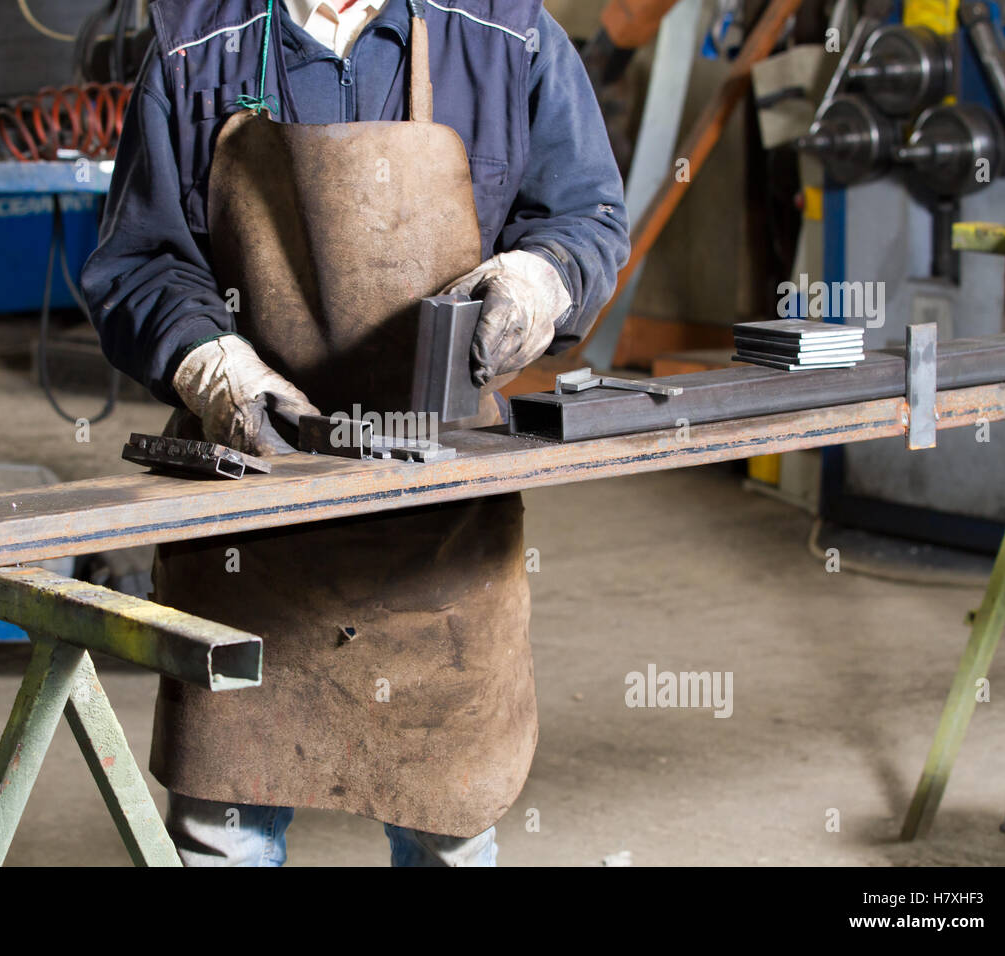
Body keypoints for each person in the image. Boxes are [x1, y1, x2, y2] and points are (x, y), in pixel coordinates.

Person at [81, 0, 630, 866]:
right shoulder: (196, 42)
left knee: (448, 822)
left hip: (438, 518)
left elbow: (585, 215)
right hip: (251, 518)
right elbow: (139, 262)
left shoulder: (506, 33)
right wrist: (214, 365)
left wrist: (539, 278)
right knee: (226, 829)